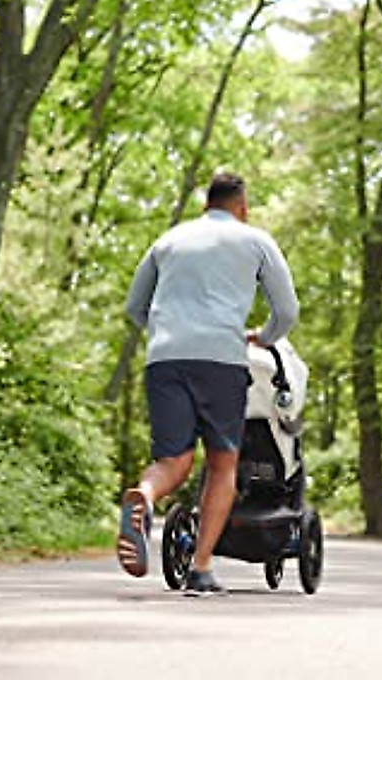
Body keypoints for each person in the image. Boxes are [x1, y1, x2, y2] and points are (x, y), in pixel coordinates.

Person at [117, 171, 299, 595]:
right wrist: (263, 338)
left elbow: (134, 307)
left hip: (165, 358)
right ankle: (200, 569)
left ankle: (144, 496)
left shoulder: (168, 241)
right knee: (222, 463)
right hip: (221, 360)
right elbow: (287, 311)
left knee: (173, 462)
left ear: (205, 204)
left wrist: (166, 332)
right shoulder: (255, 241)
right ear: (242, 207)